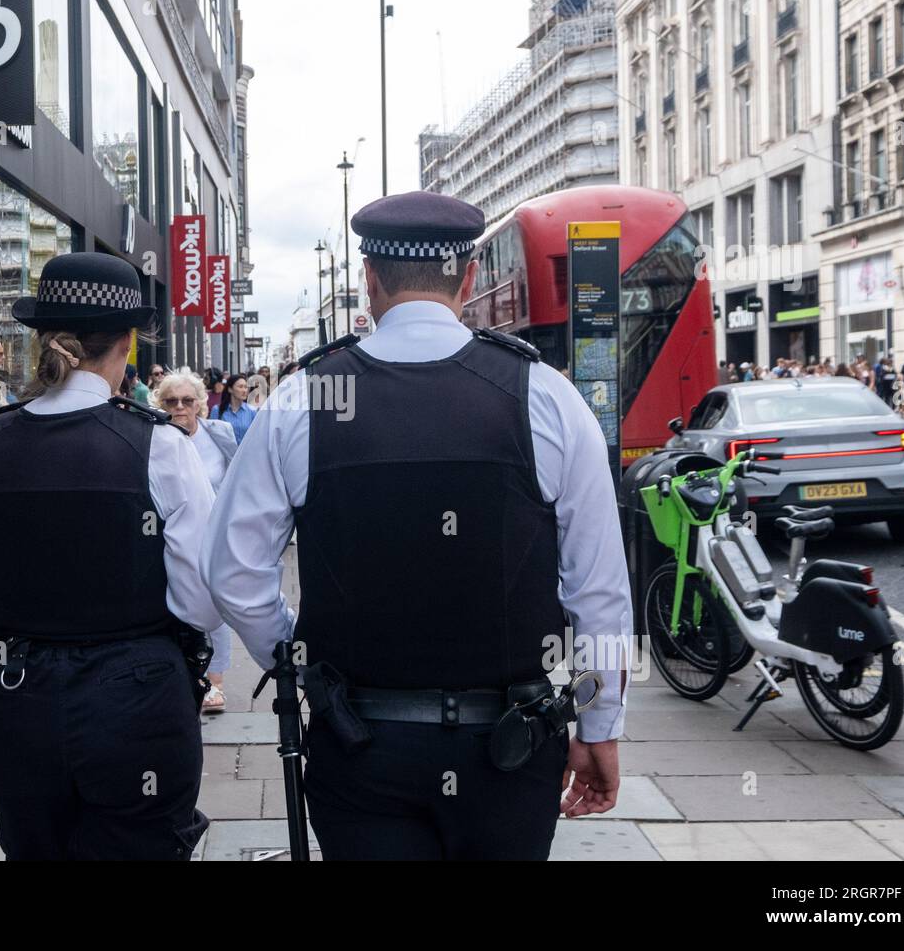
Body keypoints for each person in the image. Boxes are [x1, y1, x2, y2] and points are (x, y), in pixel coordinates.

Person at [201, 191, 630, 861]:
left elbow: (231, 570)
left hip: (360, 745)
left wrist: (294, 655)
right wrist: (600, 725)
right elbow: (600, 589)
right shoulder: (543, 394)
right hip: (509, 750)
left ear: (369, 279)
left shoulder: (308, 397)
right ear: (467, 276)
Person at [0, 253, 223, 860]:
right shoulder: (161, 446)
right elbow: (202, 598)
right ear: (127, 342)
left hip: (19, 703)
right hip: (138, 703)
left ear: (43, 338)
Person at [153, 369, 239, 714]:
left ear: (201, 404)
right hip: (171, 536)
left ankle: (215, 682)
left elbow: (237, 478)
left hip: (216, 536)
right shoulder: (156, 439)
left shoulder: (220, 434)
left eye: (187, 400)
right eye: (171, 401)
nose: (180, 407)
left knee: (215, 605)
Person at [215, 372, 256, 443]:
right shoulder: (217, 409)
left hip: (245, 452)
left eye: (246, 387)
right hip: (224, 452)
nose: (244, 390)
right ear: (230, 389)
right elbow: (213, 435)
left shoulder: (252, 411)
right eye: (240, 387)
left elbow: (256, 436)